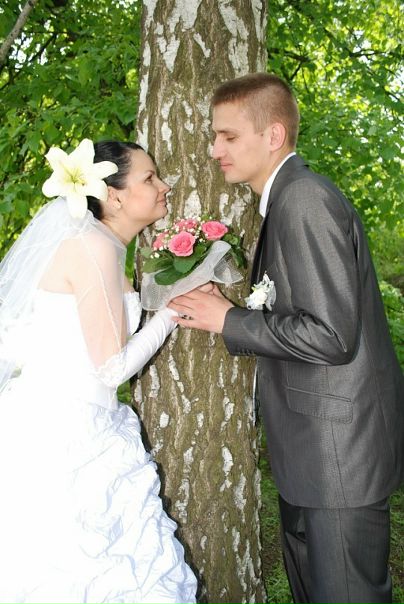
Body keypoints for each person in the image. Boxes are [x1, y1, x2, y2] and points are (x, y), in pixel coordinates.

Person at [168, 73, 404, 604]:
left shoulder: (303, 200)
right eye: (215, 136)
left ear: (273, 135)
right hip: (314, 455)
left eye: (228, 136)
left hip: (339, 458)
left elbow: (332, 335)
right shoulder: (286, 202)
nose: (214, 150)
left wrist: (228, 320)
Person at [0, 140, 197, 603]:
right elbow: (111, 368)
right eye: (149, 178)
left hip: (69, 418)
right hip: (66, 435)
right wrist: (170, 314)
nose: (164, 186)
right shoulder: (93, 248)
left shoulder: (99, 245)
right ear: (114, 195)